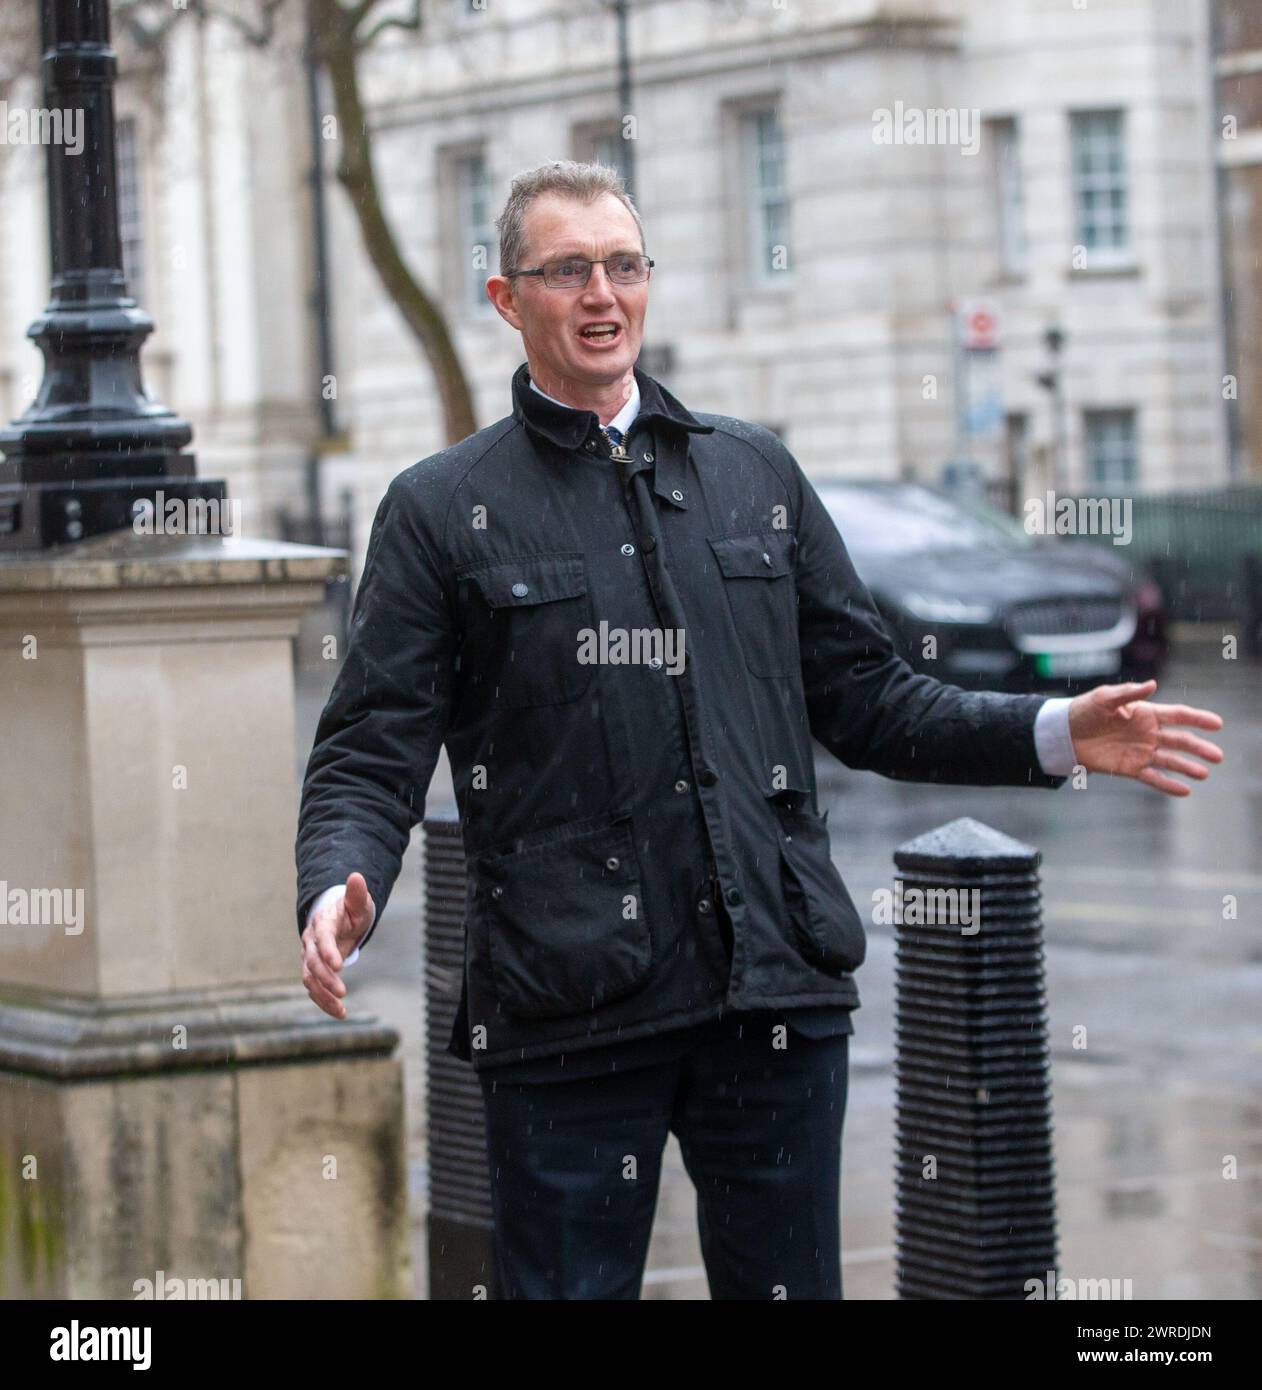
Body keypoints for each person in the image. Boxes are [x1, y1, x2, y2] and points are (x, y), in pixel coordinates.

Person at [295, 160, 1224, 1300]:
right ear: (504, 298)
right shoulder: (440, 508)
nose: (602, 294)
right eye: (568, 269)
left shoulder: (752, 473)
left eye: (624, 265)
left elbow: (869, 697)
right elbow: (372, 741)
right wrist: (341, 876)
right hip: (565, 1012)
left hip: (771, 999)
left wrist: (1048, 732)